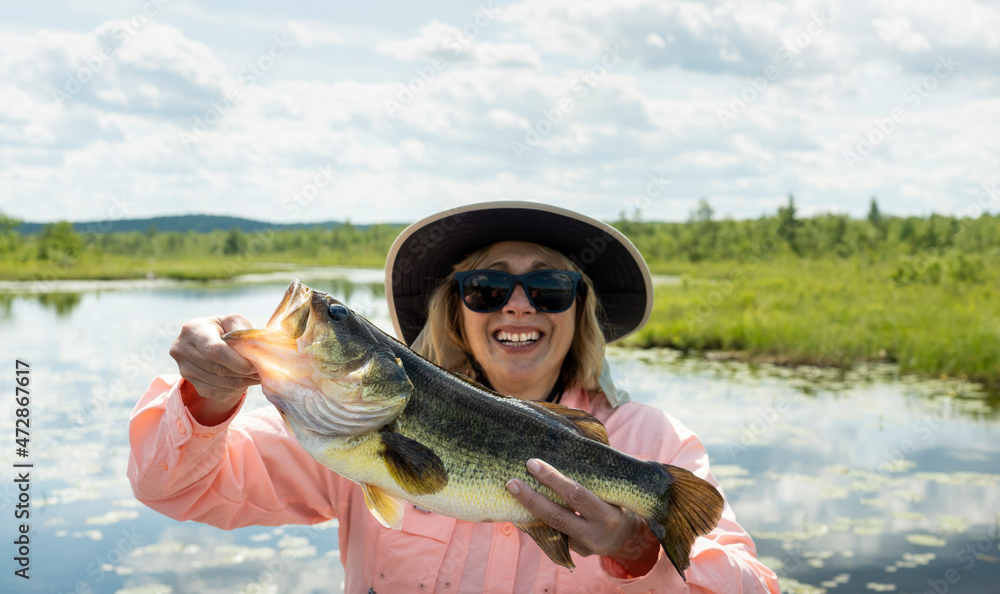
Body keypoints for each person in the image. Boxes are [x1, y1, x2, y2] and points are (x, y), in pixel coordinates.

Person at [128, 201, 780, 593]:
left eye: (549, 287)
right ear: (456, 308)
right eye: (487, 287)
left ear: (579, 311)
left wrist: (636, 553)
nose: (518, 304)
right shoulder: (342, 428)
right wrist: (206, 397)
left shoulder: (650, 444)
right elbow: (176, 486)